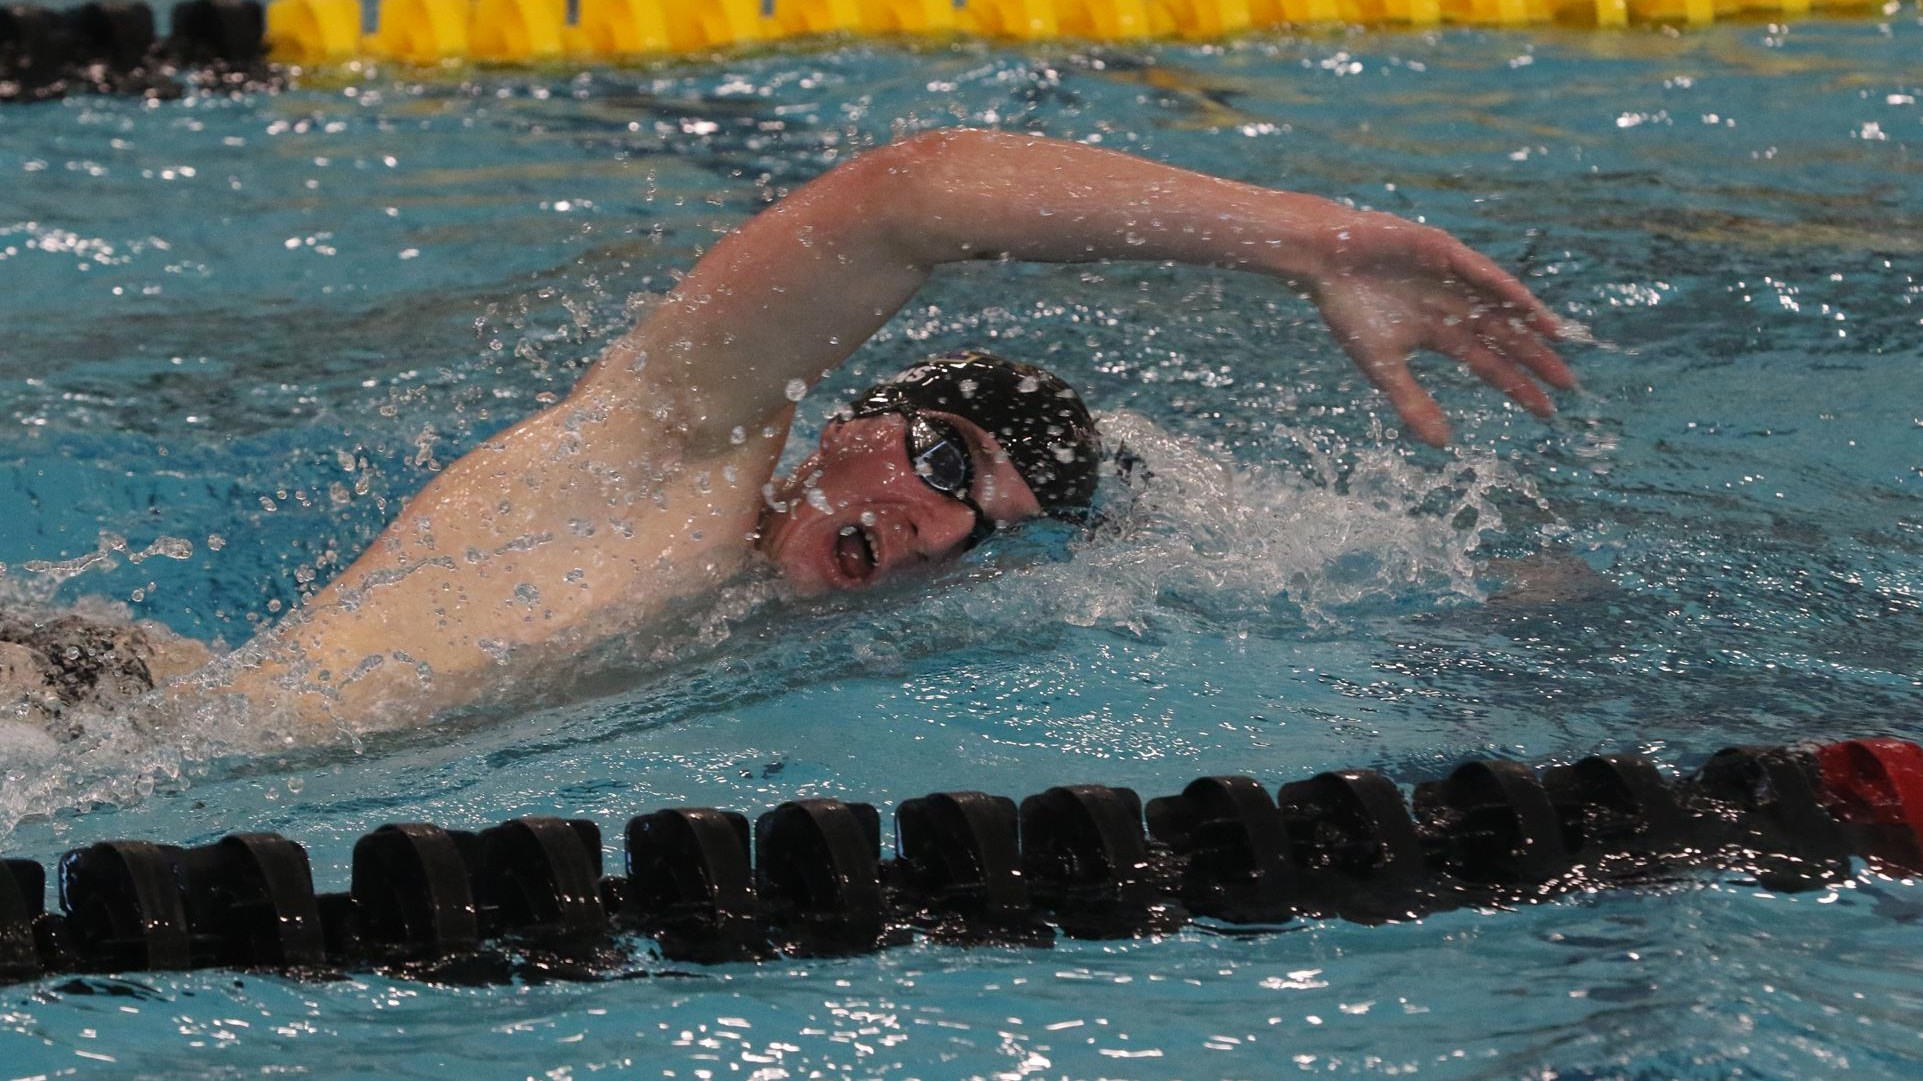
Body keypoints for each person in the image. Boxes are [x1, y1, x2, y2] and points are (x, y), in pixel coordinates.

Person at [63, 128, 1576, 736]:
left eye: (976, 519)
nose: (933, 522)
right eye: (936, 460)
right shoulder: (671, 444)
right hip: (75, 706)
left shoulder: (747, 623)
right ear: (856, 414)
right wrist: (1313, 240)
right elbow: (912, 193)